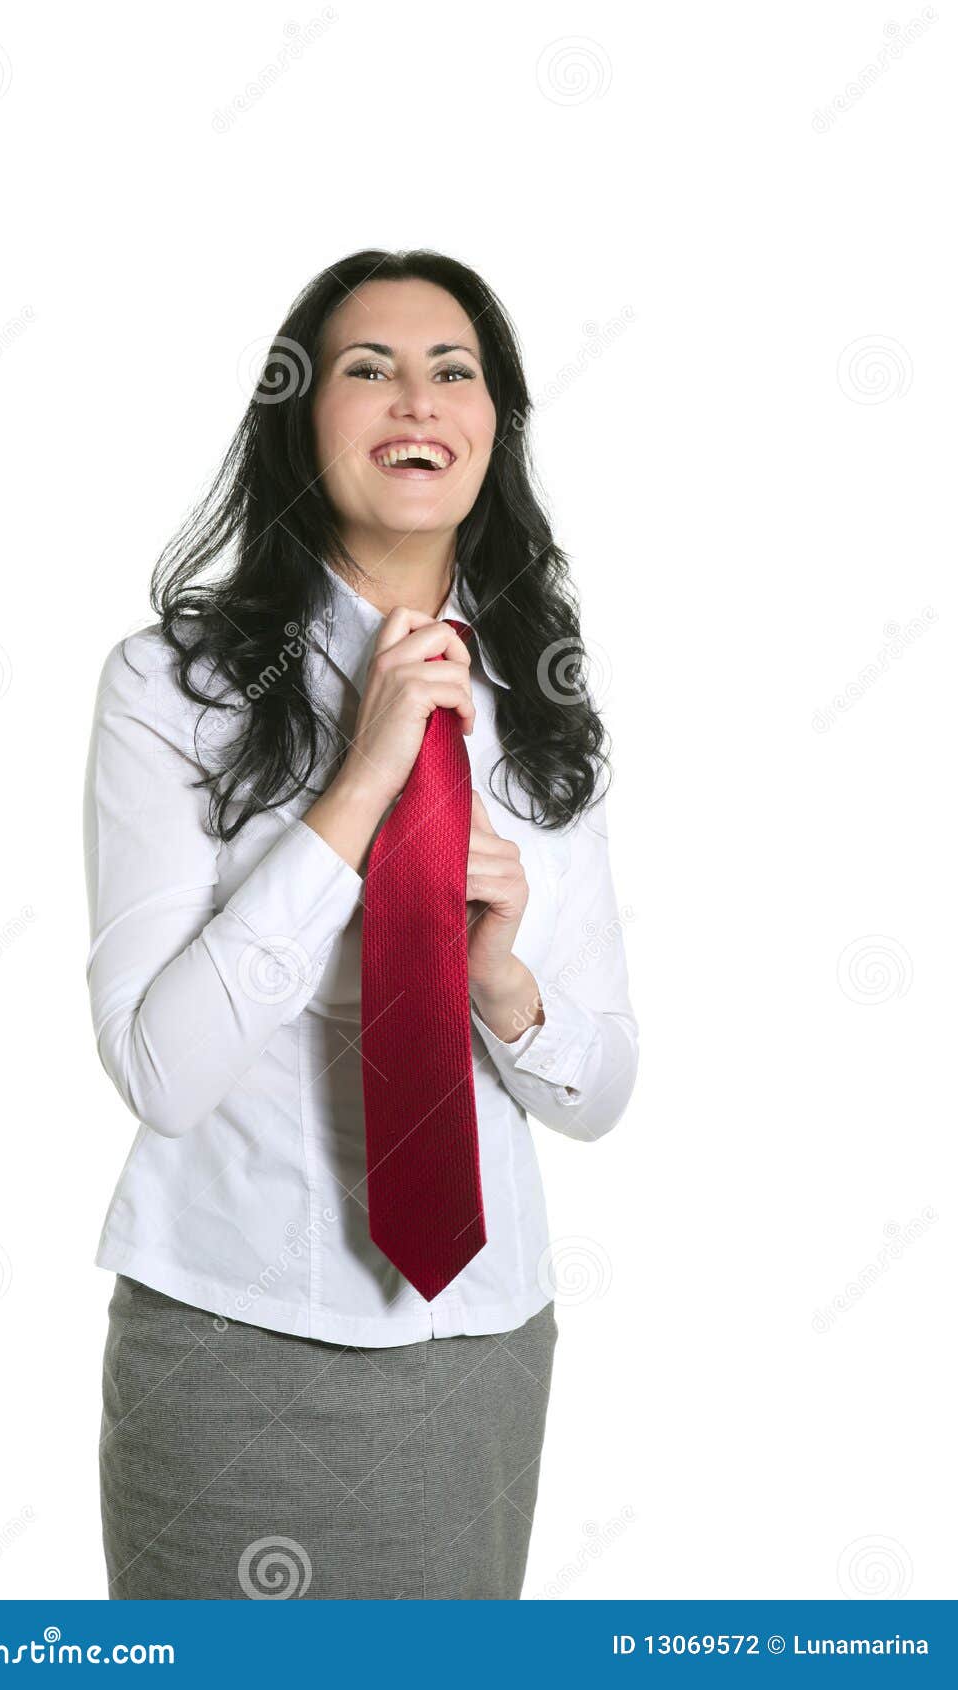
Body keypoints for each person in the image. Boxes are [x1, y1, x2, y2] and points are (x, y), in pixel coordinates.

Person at [83, 247, 639, 1601]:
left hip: (481, 1348)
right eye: (367, 368)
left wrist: (501, 983)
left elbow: (604, 1084)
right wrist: (362, 784)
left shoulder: (538, 695)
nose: (416, 400)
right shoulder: (174, 686)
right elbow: (163, 1071)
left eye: (454, 371)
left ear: (494, 426)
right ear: (299, 417)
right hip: (231, 1346)